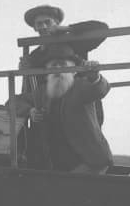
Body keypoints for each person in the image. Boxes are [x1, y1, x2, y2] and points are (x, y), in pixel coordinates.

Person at [10, 44, 113, 174]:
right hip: (58, 163)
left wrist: (95, 76)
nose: (58, 69)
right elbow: (12, 102)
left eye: (63, 65)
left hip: (90, 161)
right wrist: (30, 111)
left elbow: (100, 89)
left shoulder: (81, 86)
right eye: (53, 66)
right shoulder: (42, 92)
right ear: (47, 71)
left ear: (74, 70)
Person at [20, 5, 110, 126]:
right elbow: (30, 88)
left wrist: (68, 29)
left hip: (80, 108)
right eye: (39, 24)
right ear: (34, 27)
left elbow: (102, 29)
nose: (43, 27)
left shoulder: (74, 42)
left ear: (56, 23)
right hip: (50, 111)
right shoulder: (35, 56)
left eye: (48, 22)